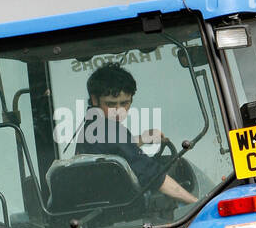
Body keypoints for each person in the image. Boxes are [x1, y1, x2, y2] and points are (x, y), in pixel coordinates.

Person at [75, 63, 197, 205]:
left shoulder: (90, 129)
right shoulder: (110, 128)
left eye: (125, 103)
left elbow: (113, 147)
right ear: (95, 99)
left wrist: (142, 138)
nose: (119, 111)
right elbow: (152, 175)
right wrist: (196, 203)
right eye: (110, 104)